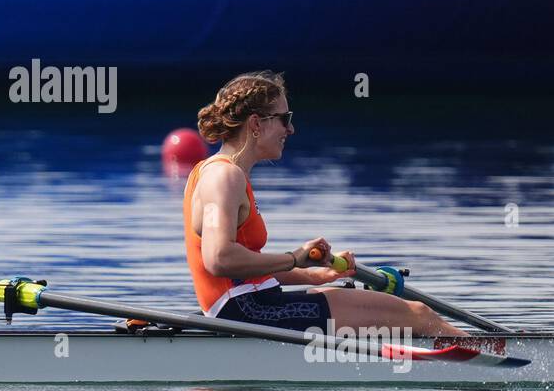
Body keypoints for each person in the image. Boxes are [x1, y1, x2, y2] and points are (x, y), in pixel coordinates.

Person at [183, 71, 463, 338]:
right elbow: (219, 259)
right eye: (284, 118)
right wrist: (295, 257)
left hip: (253, 303)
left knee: (413, 315)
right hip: (246, 312)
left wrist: (313, 275)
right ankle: (501, 367)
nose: (291, 129)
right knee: (419, 315)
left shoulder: (219, 173)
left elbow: (244, 272)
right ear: (256, 124)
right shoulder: (224, 176)